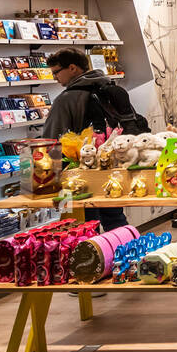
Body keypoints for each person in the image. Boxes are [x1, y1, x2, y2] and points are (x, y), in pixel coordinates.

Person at [41, 47, 136, 232]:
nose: (55, 78)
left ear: (73, 68)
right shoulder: (109, 87)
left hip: (80, 172)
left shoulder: (67, 99)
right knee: (114, 217)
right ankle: (125, 254)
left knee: (85, 225)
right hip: (113, 165)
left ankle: (93, 257)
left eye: (56, 72)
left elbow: (52, 138)